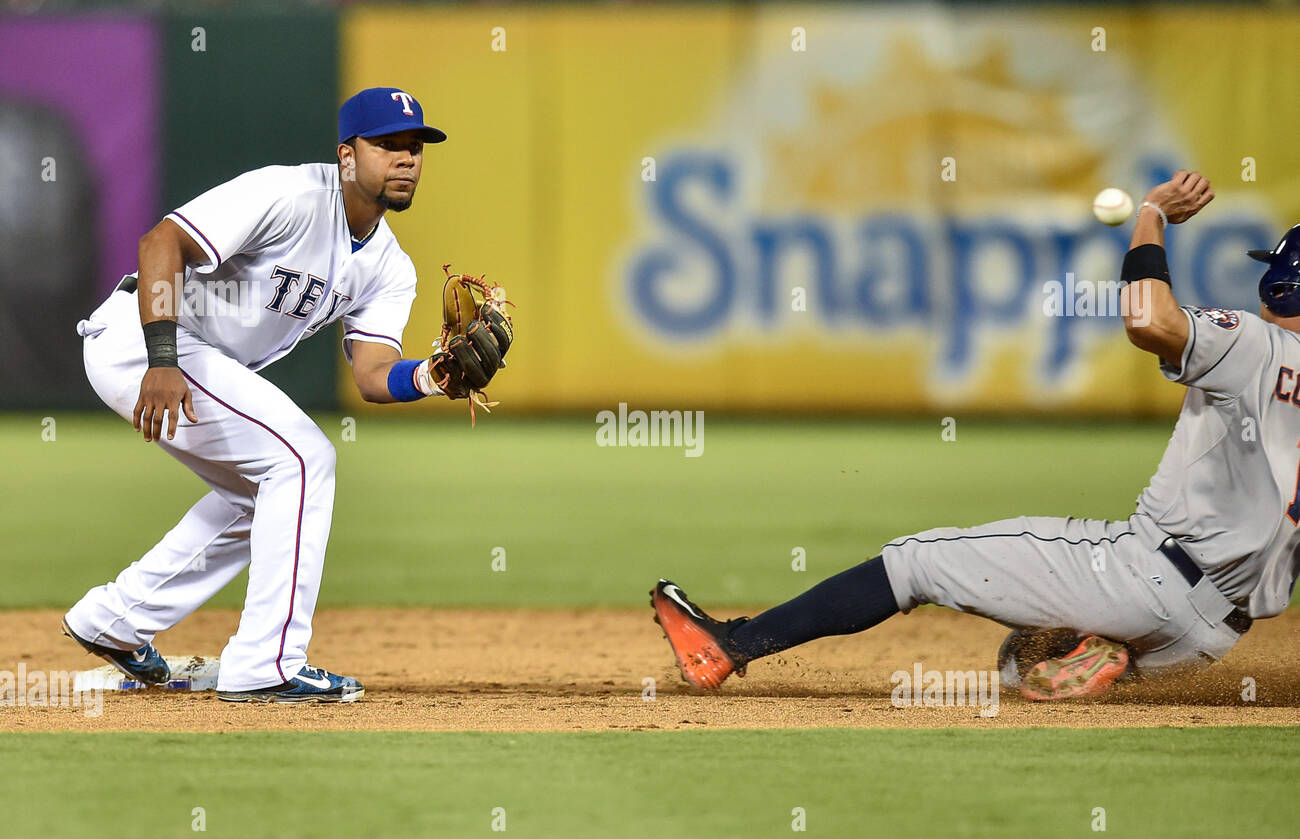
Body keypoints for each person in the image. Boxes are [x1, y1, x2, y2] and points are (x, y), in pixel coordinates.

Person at [653, 170, 1298, 701]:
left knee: (915, 562)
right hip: (1212, 634)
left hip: (1145, 574)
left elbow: (1147, 321)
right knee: (1024, 660)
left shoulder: (1258, 344)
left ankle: (731, 646)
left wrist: (1151, 216)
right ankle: (1111, 655)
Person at [64, 87, 510, 703]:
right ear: (347, 155)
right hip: (143, 339)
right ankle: (265, 664)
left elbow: (373, 374)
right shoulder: (290, 194)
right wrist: (162, 358)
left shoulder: (390, 268)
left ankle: (114, 622)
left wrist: (432, 377)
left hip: (196, 358)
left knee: (266, 494)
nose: (406, 159)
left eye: (415, 147)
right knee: (303, 459)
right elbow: (160, 243)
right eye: (387, 144)